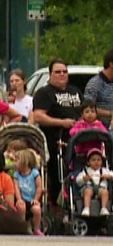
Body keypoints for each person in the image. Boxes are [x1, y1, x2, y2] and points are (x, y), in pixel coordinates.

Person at [31, 58, 82, 204]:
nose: (62, 74)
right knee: (57, 174)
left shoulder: (75, 91)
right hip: (54, 142)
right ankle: (56, 204)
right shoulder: (44, 93)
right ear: (50, 74)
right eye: (58, 72)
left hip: (77, 140)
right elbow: (38, 116)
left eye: (64, 72)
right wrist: (62, 123)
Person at [12, 148, 44, 235]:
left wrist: (36, 199)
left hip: (32, 199)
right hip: (22, 199)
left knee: (37, 210)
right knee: (21, 207)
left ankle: (37, 229)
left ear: (24, 162)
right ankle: (23, 227)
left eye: (16, 161)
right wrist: (19, 199)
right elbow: (16, 188)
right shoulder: (16, 175)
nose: (14, 163)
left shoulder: (34, 173)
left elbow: (39, 187)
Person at [75, 147, 113, 216]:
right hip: (89, 187)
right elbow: (78, 181)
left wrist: (108, 176)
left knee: (105, 192)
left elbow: (112, 175)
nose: (96, 162)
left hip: (101, 189)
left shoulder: (104, 170)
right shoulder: (86, 171)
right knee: (87, 191)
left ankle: (104, 208)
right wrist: (84, 178)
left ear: (102, 162)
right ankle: (86, 208)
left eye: (98, 160)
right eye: (93, 160)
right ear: (88, 162)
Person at [83, 49, 113, 128]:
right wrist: (110, 113)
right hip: (100, 129)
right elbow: (87, 108)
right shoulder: (95, 84)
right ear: (111, 64)